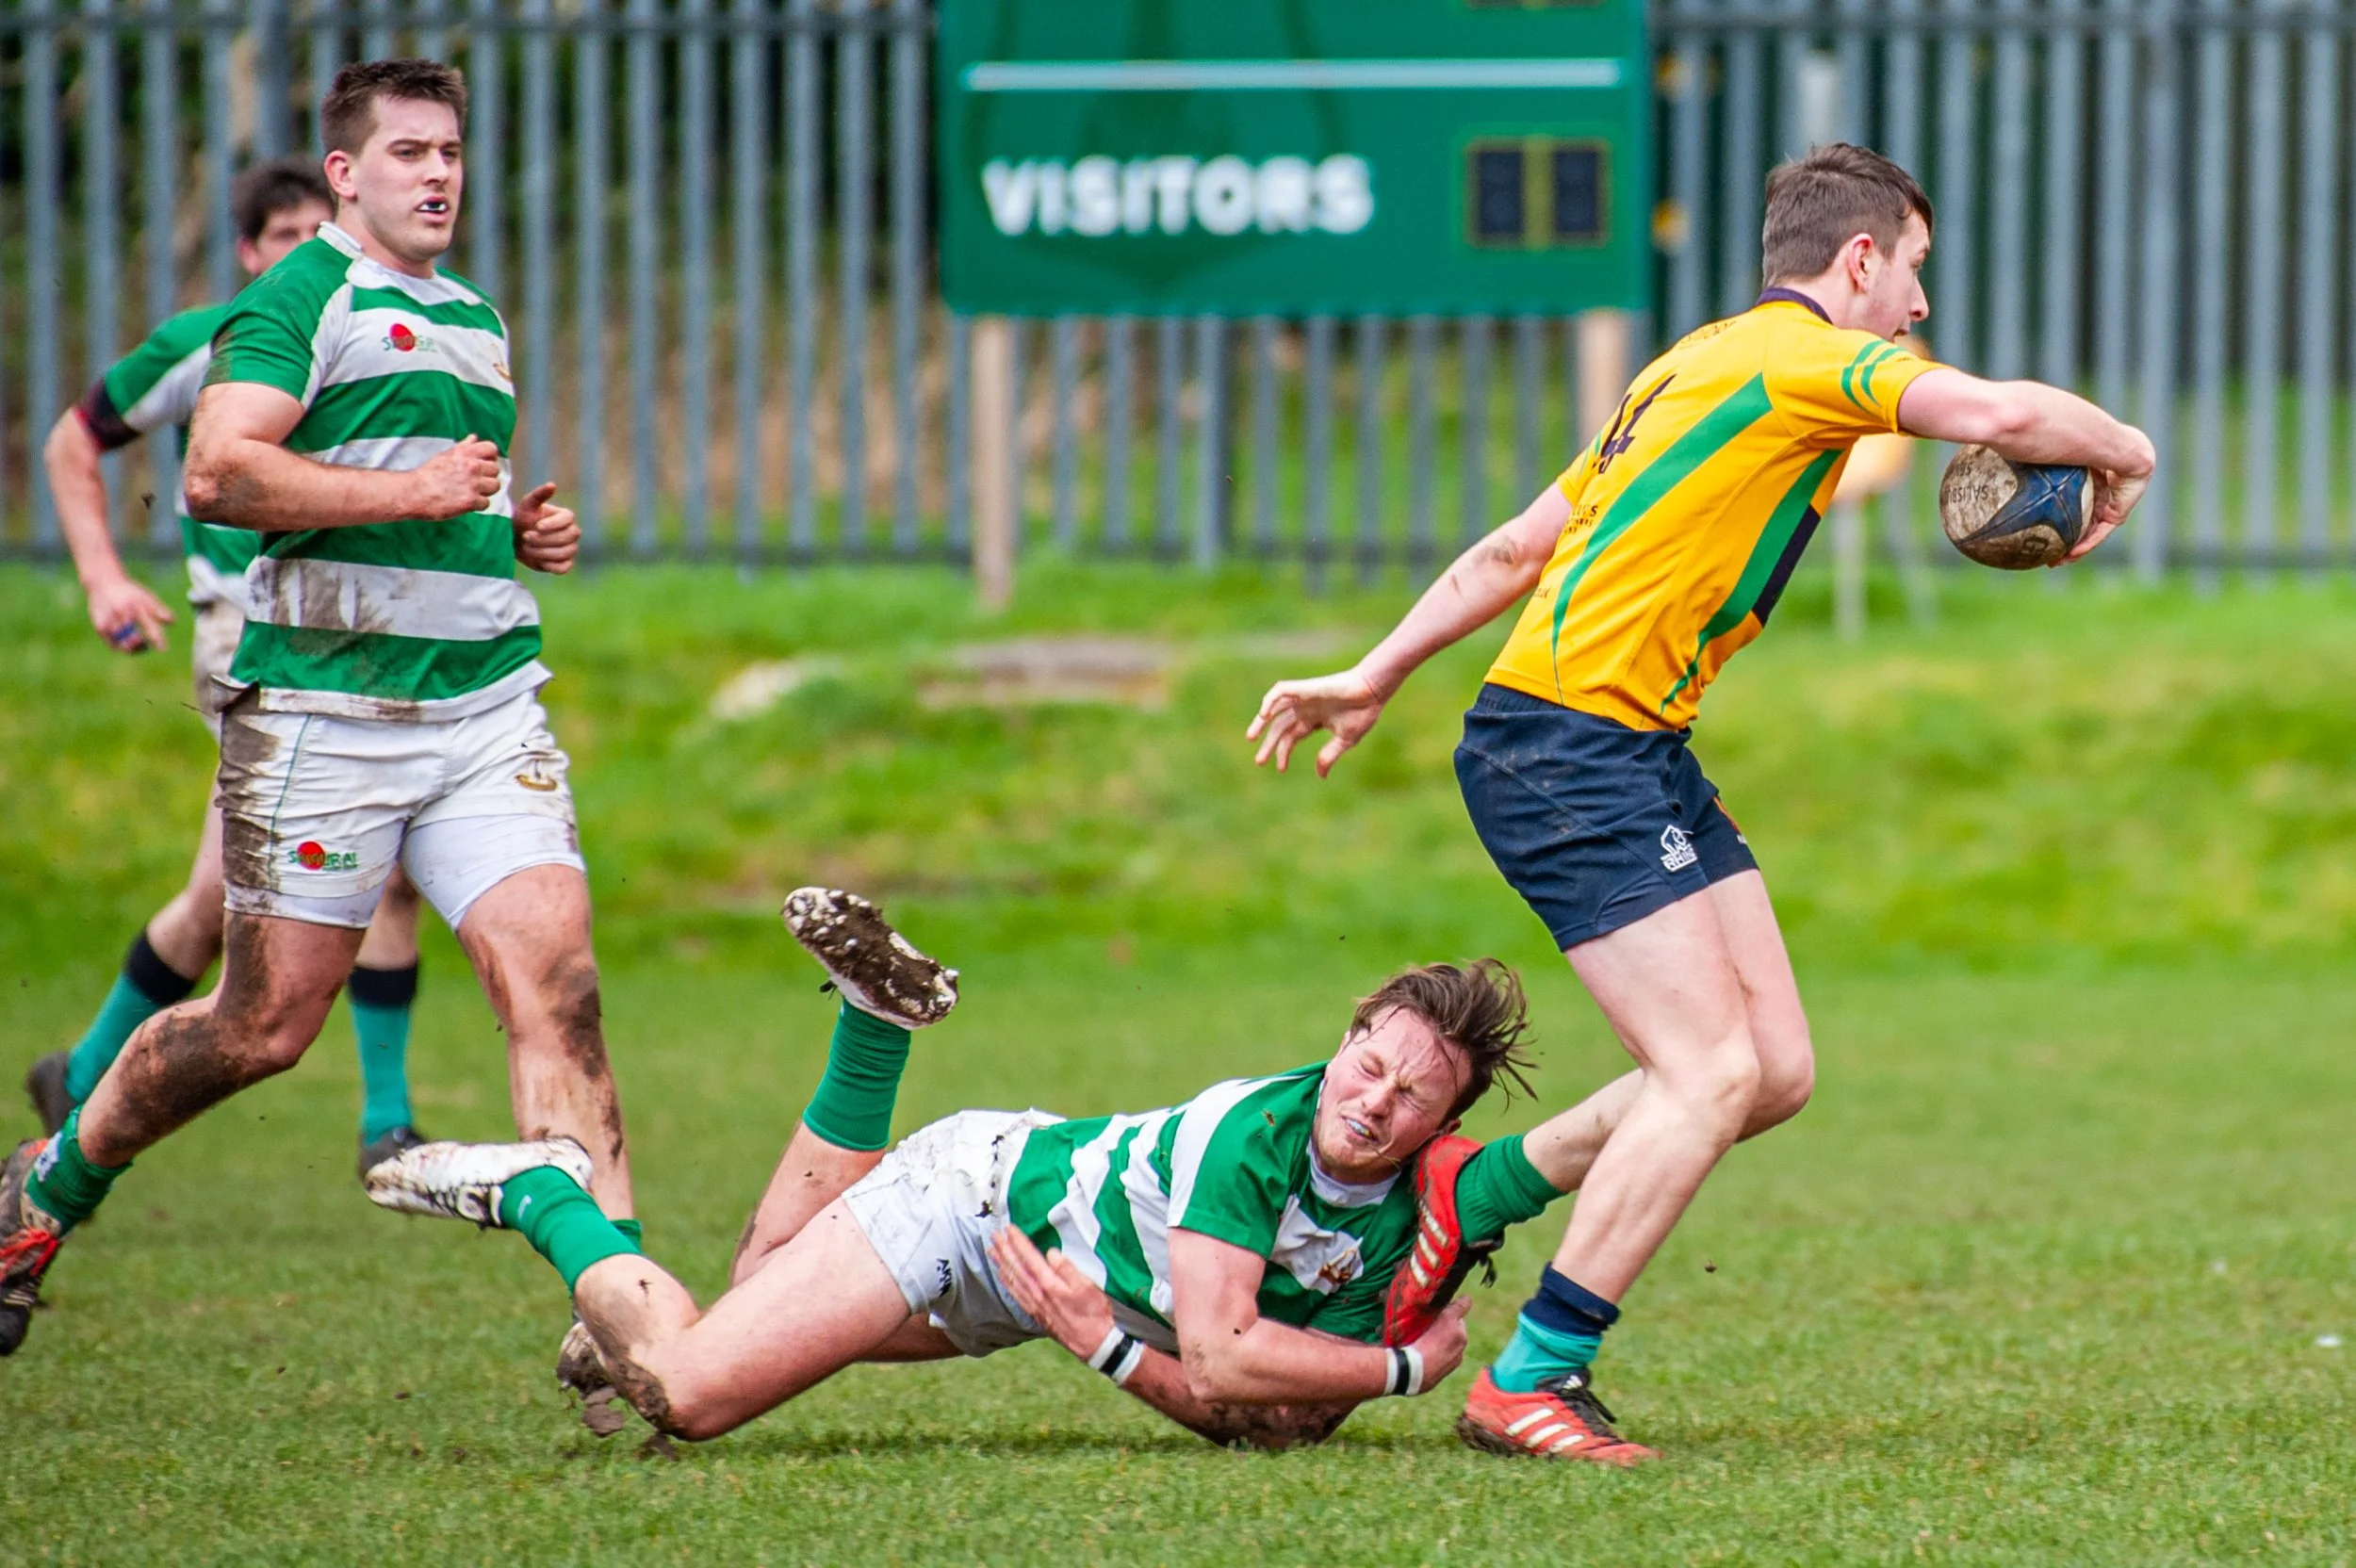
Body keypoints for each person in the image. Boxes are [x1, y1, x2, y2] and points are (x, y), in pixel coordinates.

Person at [1246, 143, 2157, 1462]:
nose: (1915, 309)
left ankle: (1466, 1187)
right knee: (1708, 1068)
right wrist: (2129, 452)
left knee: (1769, 1072)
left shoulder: (1692, 364)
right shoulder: (1801, 362)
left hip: (1625, 745)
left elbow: (1523, 542)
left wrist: (1376, 670)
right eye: (1911, 274)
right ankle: (1530, 1382)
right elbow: (2011, 420)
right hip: (1566, 750)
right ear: (1858, 261)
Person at [0, 58, 632, 1359]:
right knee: (263, 1028)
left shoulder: (475, 315)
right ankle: (43, 1189)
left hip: (484, 711)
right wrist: (420, 497)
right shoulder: (302, 295)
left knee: (556, 984)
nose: (440, 172)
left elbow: (431, 500)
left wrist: (518, 531)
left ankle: (616, 1306)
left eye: (450, 150)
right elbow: (224, 474)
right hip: (323, 717)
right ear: (344, 174)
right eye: (408, 152)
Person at [362, 889, 1587, 1451]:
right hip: (980, 1201)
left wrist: (1102, 1342)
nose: (1371, 1101)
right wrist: (1400, 1369)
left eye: (1410, 1095)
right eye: (1366, 1064)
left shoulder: (1400, 1219)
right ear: (1345, 1040)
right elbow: (1220, 1361)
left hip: (1024, 1281)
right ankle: (544, 1194)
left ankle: (872, 1029)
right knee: (690, 1390)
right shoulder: (1251, 1138)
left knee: (732, 1307)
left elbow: (1267, 1423)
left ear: (1442, 1123)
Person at [24, 157, 437, 1180]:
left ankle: (80, 1076)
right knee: (373, 859)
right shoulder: (214, 342)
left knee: (219, 896)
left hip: (350, 637)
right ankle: (386, 1124)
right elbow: (72, 442)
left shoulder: (382, 339)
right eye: (283, 238)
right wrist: (102, 578)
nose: (306, 251)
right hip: (247, 643)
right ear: (253, 254)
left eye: (319, 230)